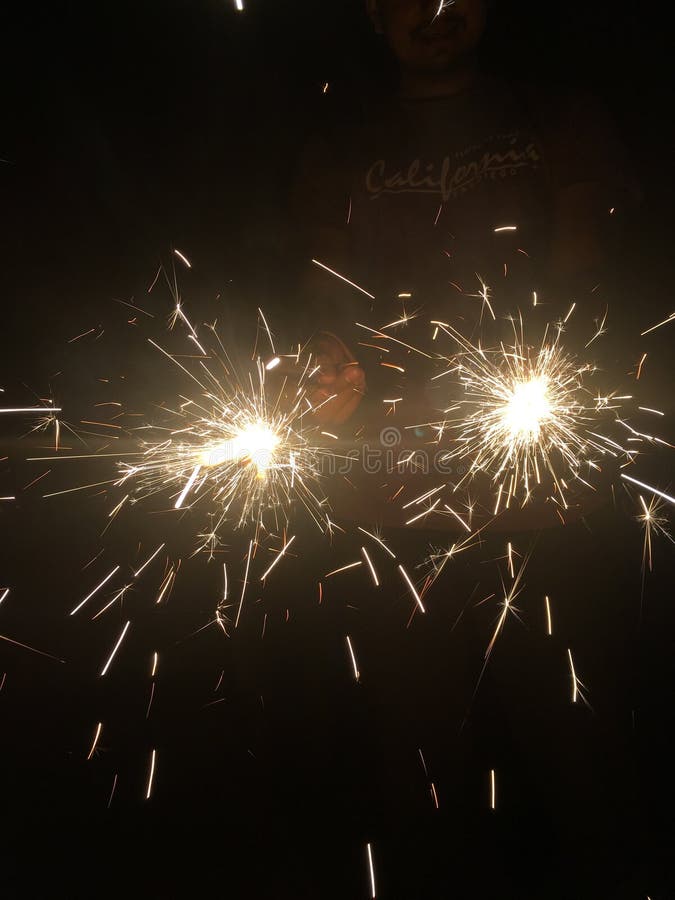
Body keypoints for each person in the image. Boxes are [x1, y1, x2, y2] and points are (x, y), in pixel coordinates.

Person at [292, 0, 636, 528]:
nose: (437, 6)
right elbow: (323, 282)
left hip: (546, 484)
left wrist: (564, 348)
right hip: (380, 488)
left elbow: (586, 263)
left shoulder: (562, 116)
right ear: (374, 10)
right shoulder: (336, 143)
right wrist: (323, 355)